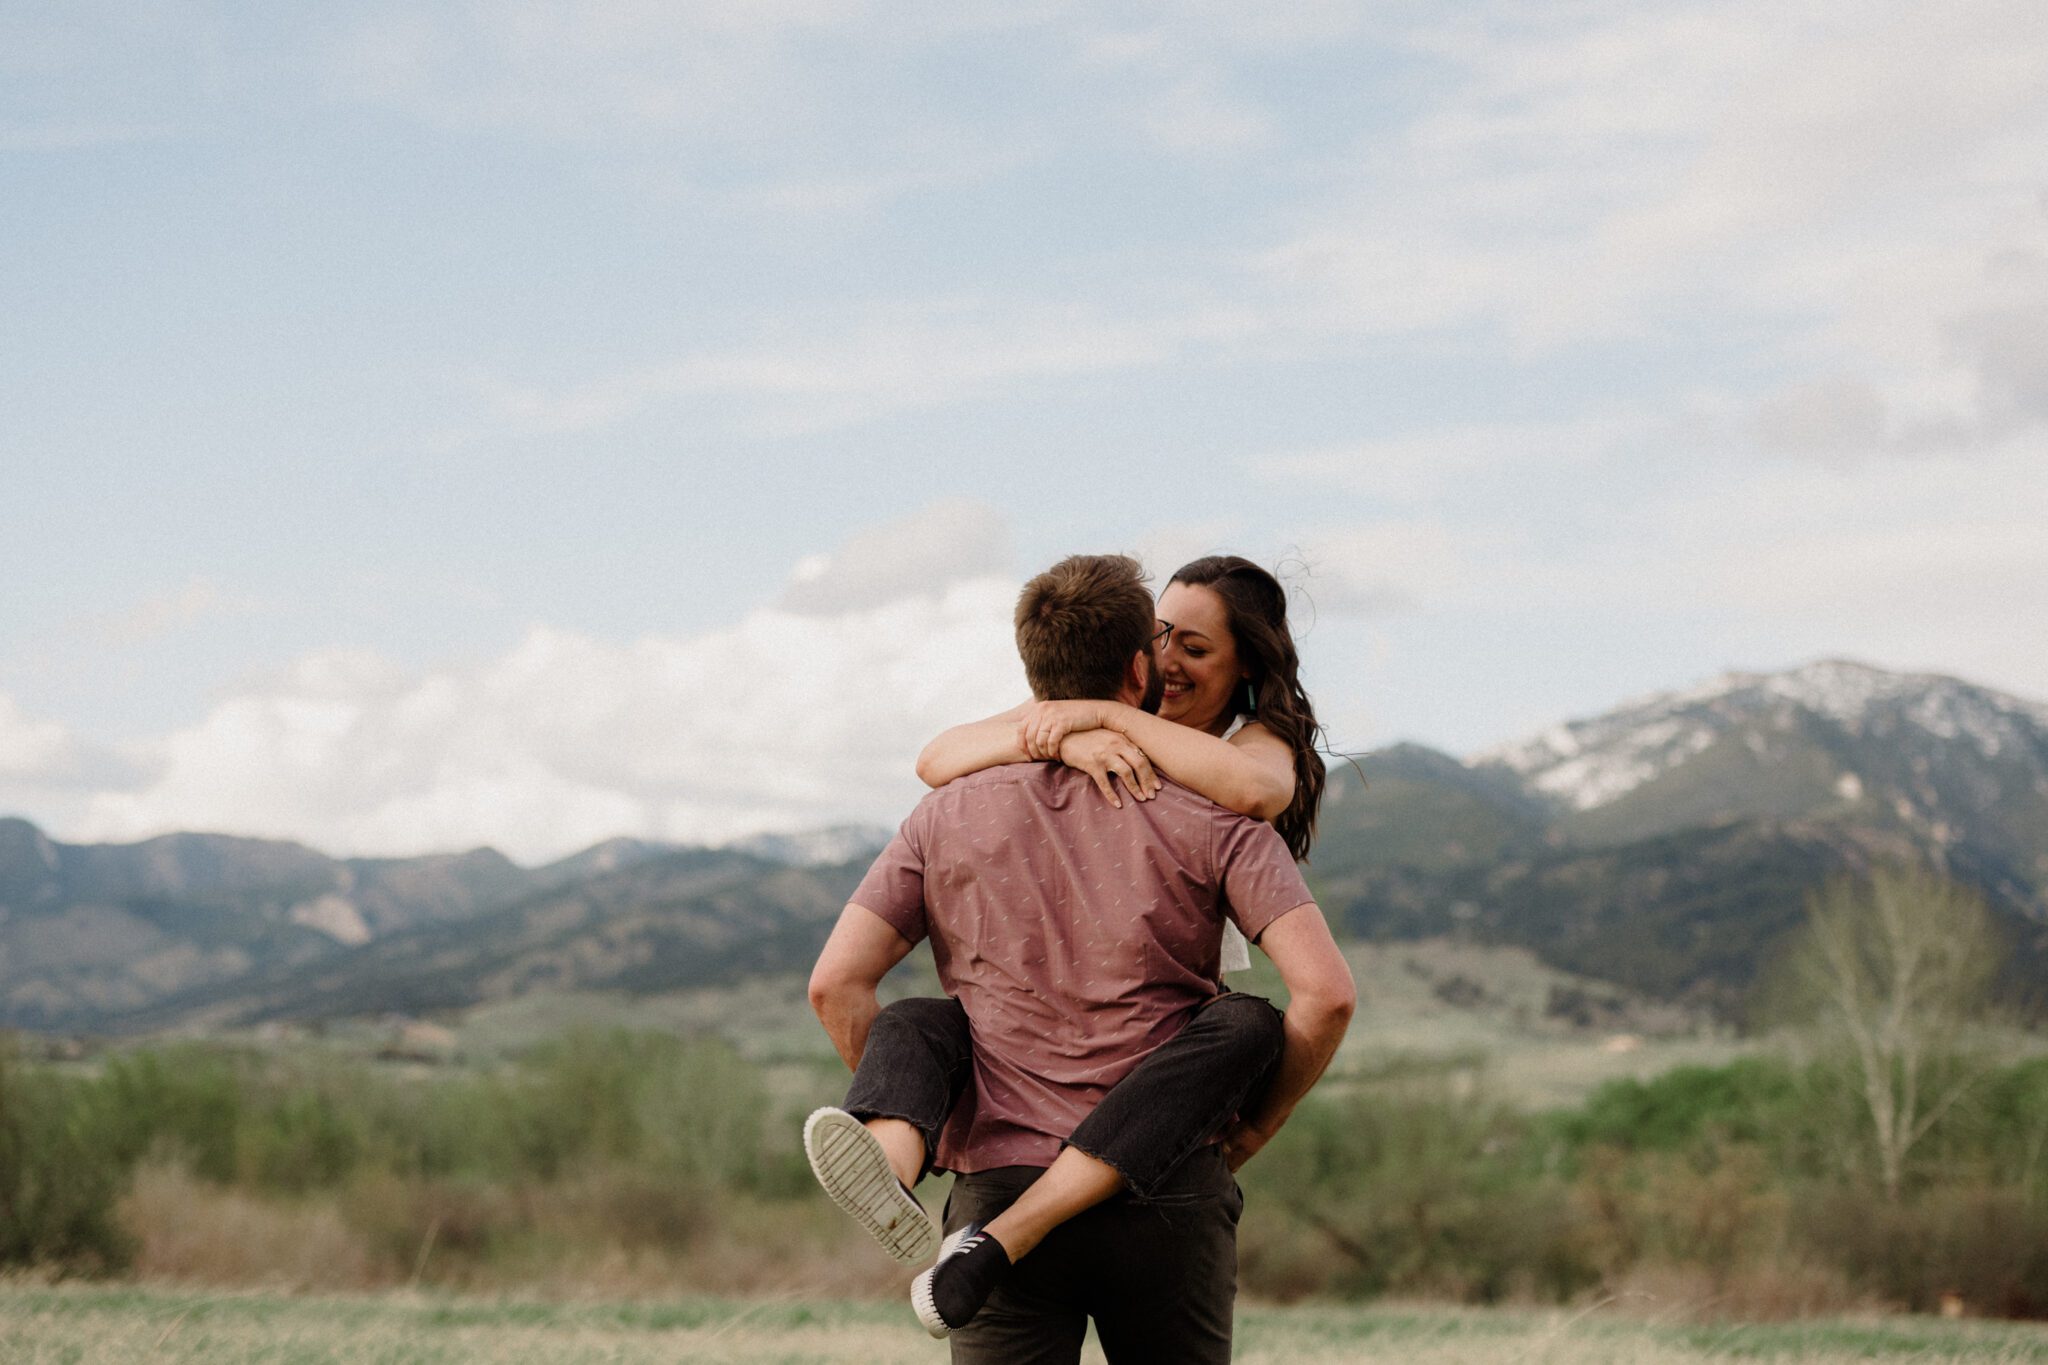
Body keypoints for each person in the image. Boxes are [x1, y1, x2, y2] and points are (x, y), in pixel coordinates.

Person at [807, 554, 1355, 1360]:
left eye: (1194, 646)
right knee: (1245, 1024)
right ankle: (909, 1155)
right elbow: (1328, 996)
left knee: (929, 1022)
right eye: (1161, 637)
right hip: (1167, 1187)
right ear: (1137, 662)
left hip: (998, 1184)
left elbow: (835, 982)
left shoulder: (950, 811)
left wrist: (962, 1127)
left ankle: (901, 1146)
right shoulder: (1217, 817)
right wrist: (1249, 1132)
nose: (1170, 659)